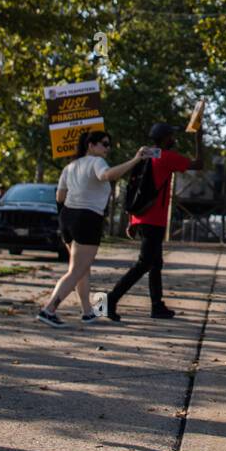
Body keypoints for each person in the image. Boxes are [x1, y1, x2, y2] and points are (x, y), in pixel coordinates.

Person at [38, 131, 147, 327]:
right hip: (87, 218)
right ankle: (49, 309)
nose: (107, 148)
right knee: (77, 269)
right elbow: (107, 176)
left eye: (109, 144)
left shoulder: (69, 167)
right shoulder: (96, 162)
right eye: (104, 144)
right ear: (91, 145)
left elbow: (60, 198)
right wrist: (135, 160)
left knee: (82, 269)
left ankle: (88, 312)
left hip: (68, 218)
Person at [105, 122, 203, 321]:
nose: (174, 139)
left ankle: (157, 306)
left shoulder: (146, 154)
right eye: (172, 136)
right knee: (144, 264)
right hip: (154, 220)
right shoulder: (166, 157)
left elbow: (136, 187)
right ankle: (110, 300)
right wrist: (199, 137)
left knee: (156, 263)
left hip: (142, 216)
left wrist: (132, 220)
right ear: (166, 138)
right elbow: (198, 164)